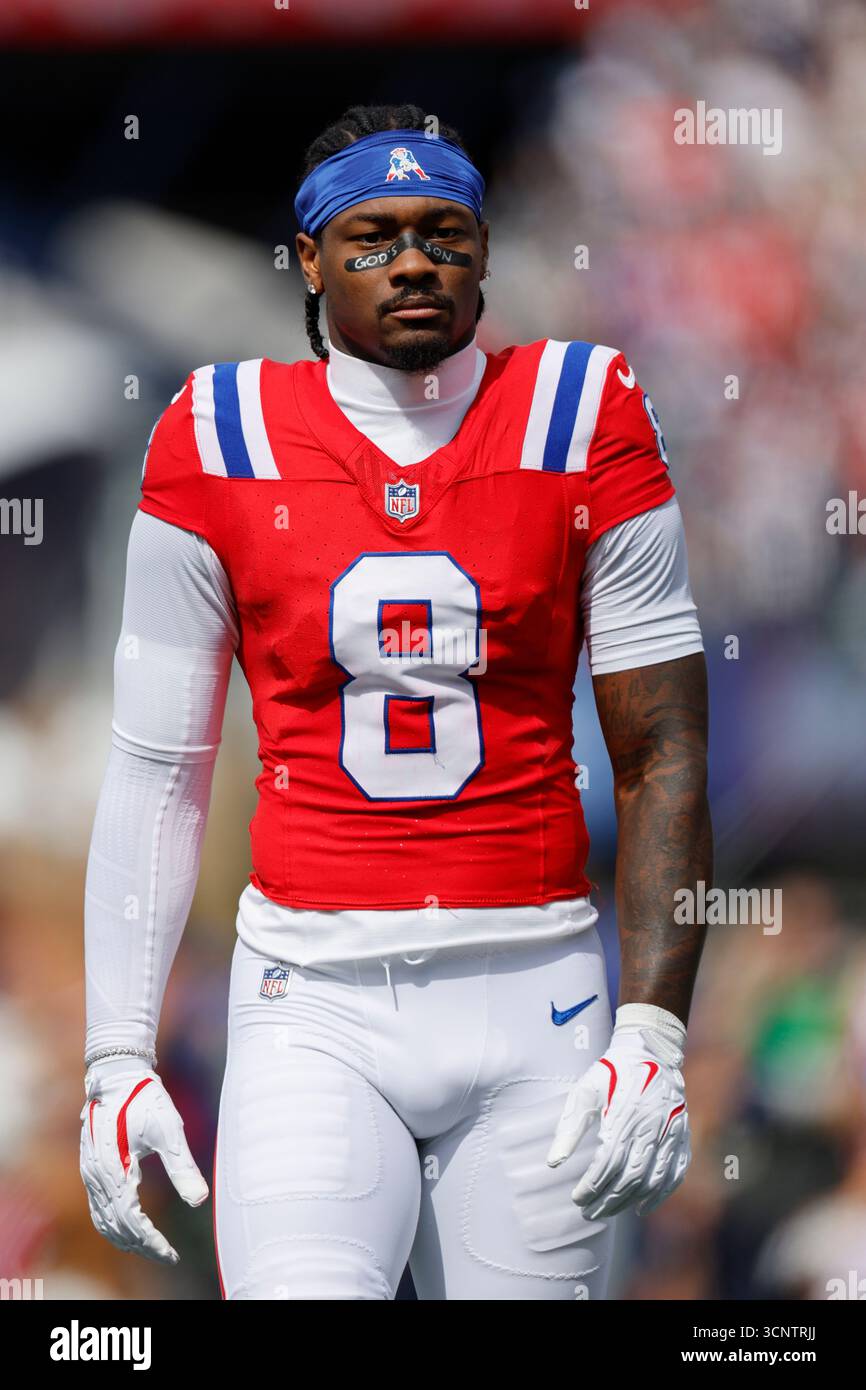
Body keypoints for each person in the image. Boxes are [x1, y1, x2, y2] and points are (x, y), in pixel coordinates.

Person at [80, 103, 711, 1300]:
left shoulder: (584, 409)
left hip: (540, 993)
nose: (413, 260)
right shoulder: (216, 434)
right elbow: (158, 766)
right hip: (309, 999)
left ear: (484, 251)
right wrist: (117, 1053)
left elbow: (661, 746)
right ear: (308, 260)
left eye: (445, 232)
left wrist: (655, 1030)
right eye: (372, 237)